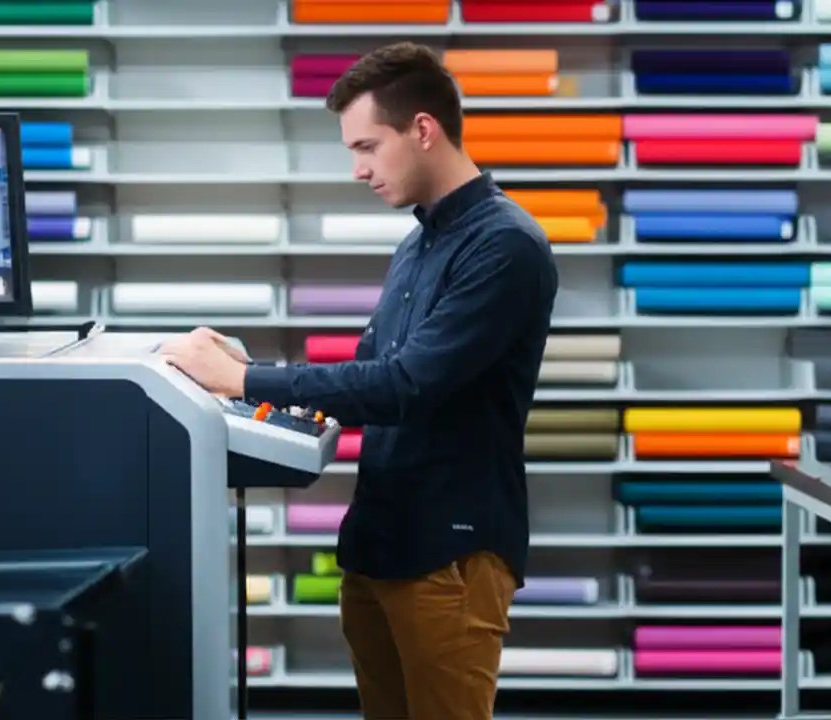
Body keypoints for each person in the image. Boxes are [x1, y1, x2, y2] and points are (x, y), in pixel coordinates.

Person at [161, 41, 559, 720]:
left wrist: (245, 379)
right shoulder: (419, 243)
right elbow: (368, 370)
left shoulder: (505, 245)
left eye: (368, 146)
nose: (357, 169)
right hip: (382, 542)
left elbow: (404, 386)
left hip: (450, 554)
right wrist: (238, 370)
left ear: (423, 129)